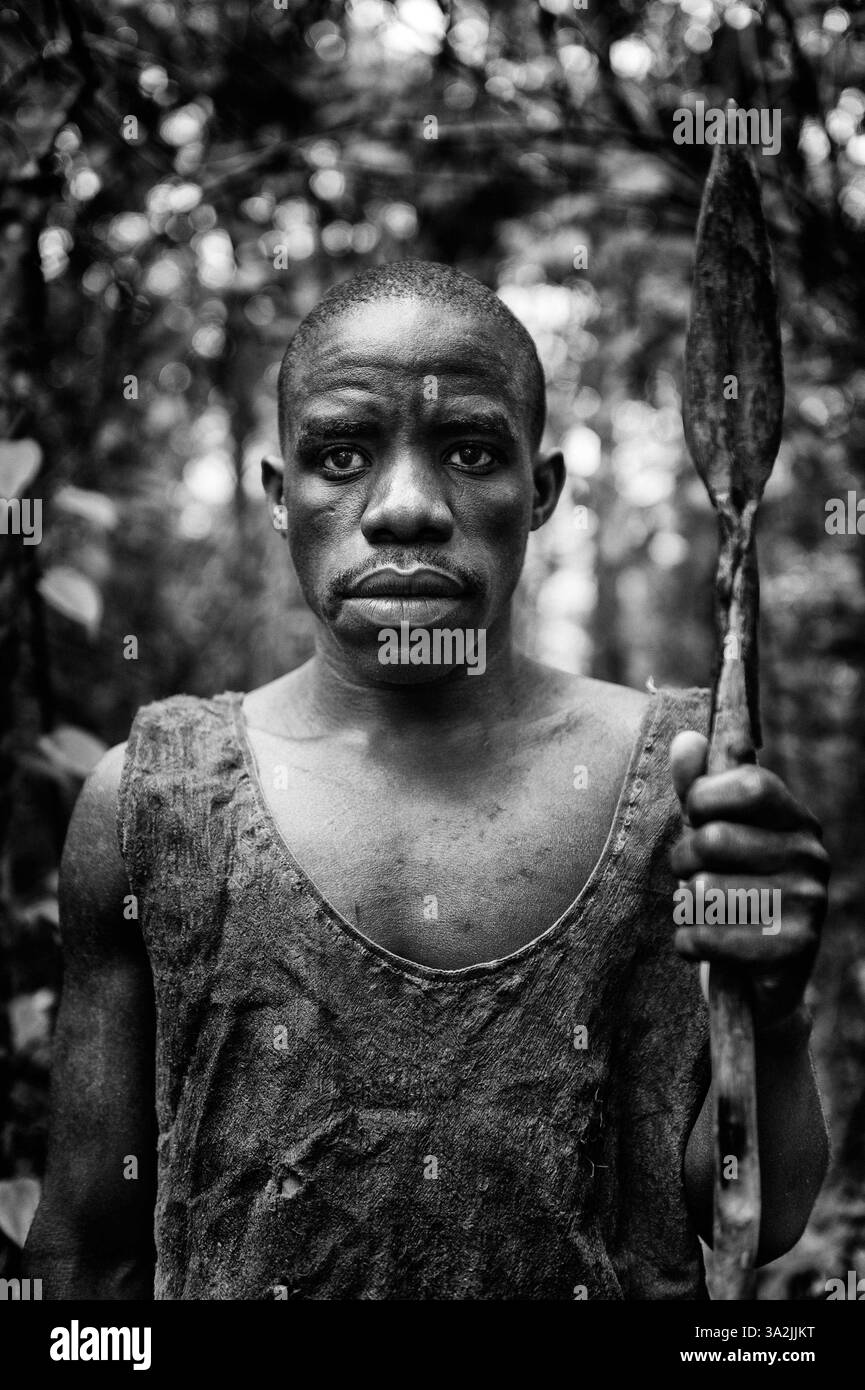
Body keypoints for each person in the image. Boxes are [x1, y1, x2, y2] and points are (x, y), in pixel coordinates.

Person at [25, 261, 829, 1300]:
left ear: (537, 492)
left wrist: (772, 1003)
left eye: (469, 451)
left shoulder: (683, 784)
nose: (404, 507)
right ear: (281, 497)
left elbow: (748, 1218)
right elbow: (90, 1250)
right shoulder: (158, 801)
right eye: (343, 454)